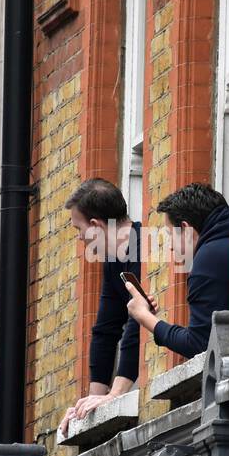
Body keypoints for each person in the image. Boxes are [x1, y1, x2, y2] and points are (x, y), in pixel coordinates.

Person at [58, 179, 142, 437]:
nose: (81, 238)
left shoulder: (144, 250)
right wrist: (91, 402)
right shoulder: (114, 261)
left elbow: (140, 322)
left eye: (79, 229)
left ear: (95, 225)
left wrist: (115, 393)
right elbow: (106, 329)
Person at [124, 182, 229, 358]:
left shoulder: (208, 260)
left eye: (170, 235)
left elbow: (199, 345)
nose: (170, 247)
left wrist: (143, 316)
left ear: (185, 229)